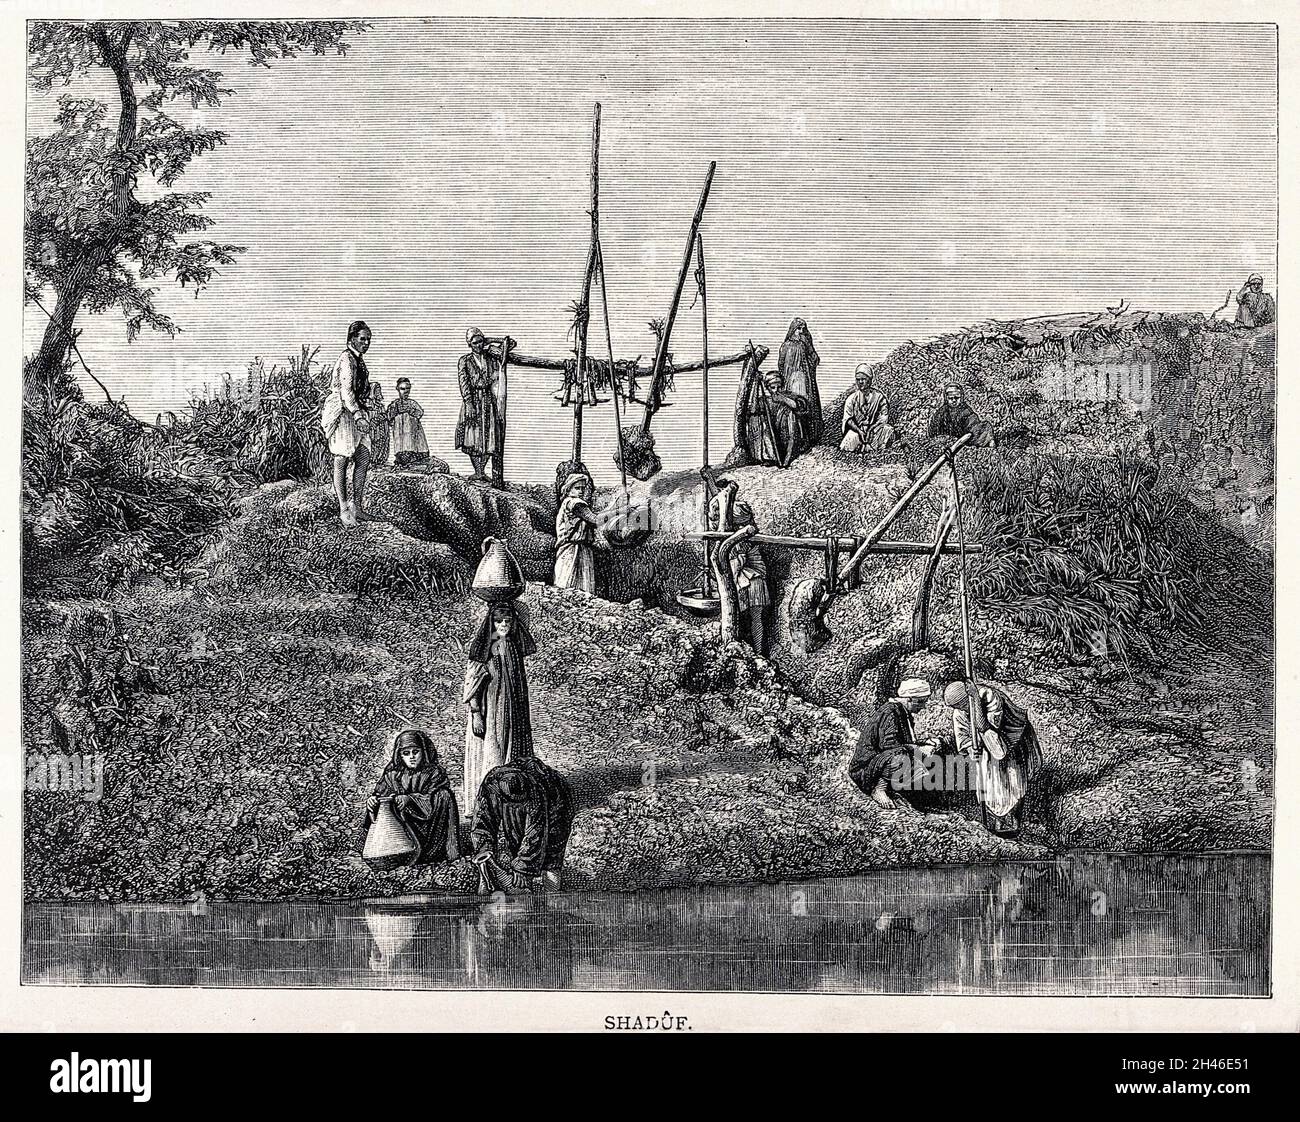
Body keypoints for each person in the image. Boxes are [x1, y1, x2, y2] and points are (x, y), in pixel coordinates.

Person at [463, 600, 538, 814]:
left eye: (508, 620)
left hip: (514, 712)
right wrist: (476, 714)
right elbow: (472, 685)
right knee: (492, 752)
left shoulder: (513, 646)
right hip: (491, 711)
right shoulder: (485, 647)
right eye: (498, 621)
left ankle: (511, 797)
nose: (503, 625)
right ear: (491, 623)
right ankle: (488, 801)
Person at [943, 680, 1043, 836]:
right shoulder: (959, 712)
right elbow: (962, 736)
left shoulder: (990, 697)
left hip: (1010, 745)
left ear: (967, 697)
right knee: (990, 786)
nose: (960, 709)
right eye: (956, 707)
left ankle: (1013, 824)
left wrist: (976, 700)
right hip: (987, 751)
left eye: (961, 704)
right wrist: (971, 749)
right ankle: (998, 824)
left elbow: (988, 730)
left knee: (1013, 783)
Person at [471, 755, 574, 893]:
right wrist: (484, 848)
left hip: (556, 799)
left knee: (552, 854)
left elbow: (535, 832)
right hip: (524, 796)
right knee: (515, 837)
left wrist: (523, 866)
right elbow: (481, 821)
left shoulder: (536, 789)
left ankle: (553, 897)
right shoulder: (491, 785)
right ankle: (527, 893)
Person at [358, 729, 462, 865]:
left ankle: (446, 855)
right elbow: (381, 795)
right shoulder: (392, 775)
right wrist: (373, 802)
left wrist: (410, 800)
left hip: (431, 829)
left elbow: (434, 800)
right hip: (405, 829)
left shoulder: (434, 772)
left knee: (444, 795)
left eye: (415, 752)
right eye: (406, 753)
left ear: (423, 752)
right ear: (400, 755)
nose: (411, 757)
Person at [849, 679, 942, 811]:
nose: (923, 706)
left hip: (879, 763)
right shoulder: (890, 712)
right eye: (921, 702)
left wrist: (926, 744)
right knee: (900, 758)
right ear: (909, 699)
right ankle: (879, 789)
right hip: (866, 768)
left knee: (929, 763)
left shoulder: (902, 711)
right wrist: (916, 748)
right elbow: (889, 746)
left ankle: (920, 804)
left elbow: (903, 741)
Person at [320, 320, 374, 527]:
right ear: (352, 339)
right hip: (344, 412)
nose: (366, 343)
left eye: (368, 340)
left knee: (363, 456)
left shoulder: (360, 361)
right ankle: (344, 509)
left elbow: (362, 390)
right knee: (341, 459)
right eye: (363, 339)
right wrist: (359, 415)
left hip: (357, 411)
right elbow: (346, 392)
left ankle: (357, 507)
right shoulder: (346, 359)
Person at [708, 477, 769, 654]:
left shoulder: (738, 535)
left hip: (752, 580)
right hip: (750, 579)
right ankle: (753, 653)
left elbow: (735, 565)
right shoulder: (732, 514)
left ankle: (756, 654)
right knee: (752, 620)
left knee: (752, 619)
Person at [456, 328, 506, 483]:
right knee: (472, 436)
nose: (478, 345)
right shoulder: (465, 360)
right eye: (475, 342)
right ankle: (477, 471)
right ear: (469, 344)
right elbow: (463, 383)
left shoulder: (490, 357)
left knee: (488, 435)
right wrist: (468, 402)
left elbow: (509, 344)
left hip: (488, 400)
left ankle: (482, 471)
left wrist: (490, 340)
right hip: (473, 400)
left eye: (480, 341)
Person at [554, 472, 606, 594]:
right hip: (572, 549)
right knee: (569, 585)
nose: (581, 491)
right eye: (577, 488)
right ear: (568, 489)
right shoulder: (574, 503)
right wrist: (619, 509)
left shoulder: (569, 503)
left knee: (582, 589)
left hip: (581, 548)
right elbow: (595, 520)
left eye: (583, 488)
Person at [779, 317, 823, 446]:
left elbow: (814, 358)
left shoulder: (804, 344)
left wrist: (811, 361)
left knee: (805, 407)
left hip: (804, 381)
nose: (801, 331)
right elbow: (781, 365)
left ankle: (807, 438)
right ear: (792, 330)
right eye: (798, 329)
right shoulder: (785, 346)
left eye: (803, 329)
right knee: (792, 409)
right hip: (790, 382)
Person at [840, 364, 897, 452]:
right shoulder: (851, 398)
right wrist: (859, 431)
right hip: (858, 431)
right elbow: (848, 419)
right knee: (846, 445)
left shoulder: (879, 397)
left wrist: (871, 429)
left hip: (875, 430)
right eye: (858, 380)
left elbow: (883, 417)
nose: (860, 382)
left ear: (869, 380)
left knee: (888, 430)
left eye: (863, 379)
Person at [927, 383, 995, 447]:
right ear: (946, 398)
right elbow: (933, 429)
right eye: (951, 398)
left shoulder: (966, 410)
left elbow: (973, 427)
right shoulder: (941, 412)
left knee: (986, 427)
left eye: (956, 398)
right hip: (945, 442)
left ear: (961, 397)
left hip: (964, 442)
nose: (954, 400)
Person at [387, 377, 430, 468]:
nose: (405, 391)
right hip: (399, 433)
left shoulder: (412, 403)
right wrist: (394, 412)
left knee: (412, 448)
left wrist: (411, 411)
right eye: (403, 389)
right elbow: (389, 417)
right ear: (398, 389)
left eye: (408, 389)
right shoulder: (394, 404)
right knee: (401, 449)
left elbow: (420, 413)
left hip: (412, 433)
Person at [368, 383, 390, 467]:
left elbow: (384, 415)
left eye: (379, 390)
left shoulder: (381, 406)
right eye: (376, 390)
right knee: (374, 443)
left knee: (382, 442)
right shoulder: (368, 405)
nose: (378, 392)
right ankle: (372, 460)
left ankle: (380, 460)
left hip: (382, 428)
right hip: (374, 429)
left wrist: (383, 417)